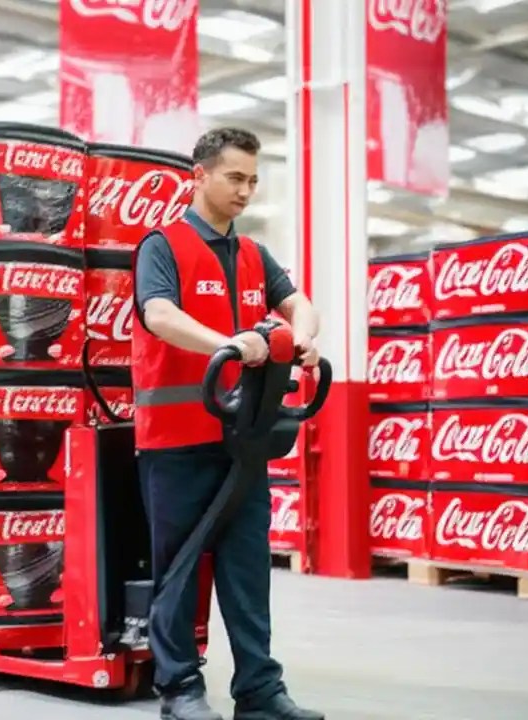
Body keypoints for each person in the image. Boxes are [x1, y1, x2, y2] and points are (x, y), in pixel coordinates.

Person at [130, 127, 323, 720]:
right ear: (200, 175)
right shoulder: (162, 246)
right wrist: (232, 345)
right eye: (235, 178)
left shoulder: (253, 255)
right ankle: (179, 689)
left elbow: (297, 303)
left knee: (247, 571)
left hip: (242, 440)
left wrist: (305, 338)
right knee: (180, 569)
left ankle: (259, 692)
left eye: (253, 181)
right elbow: (158, 314)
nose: (246, 191)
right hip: (176, 441)